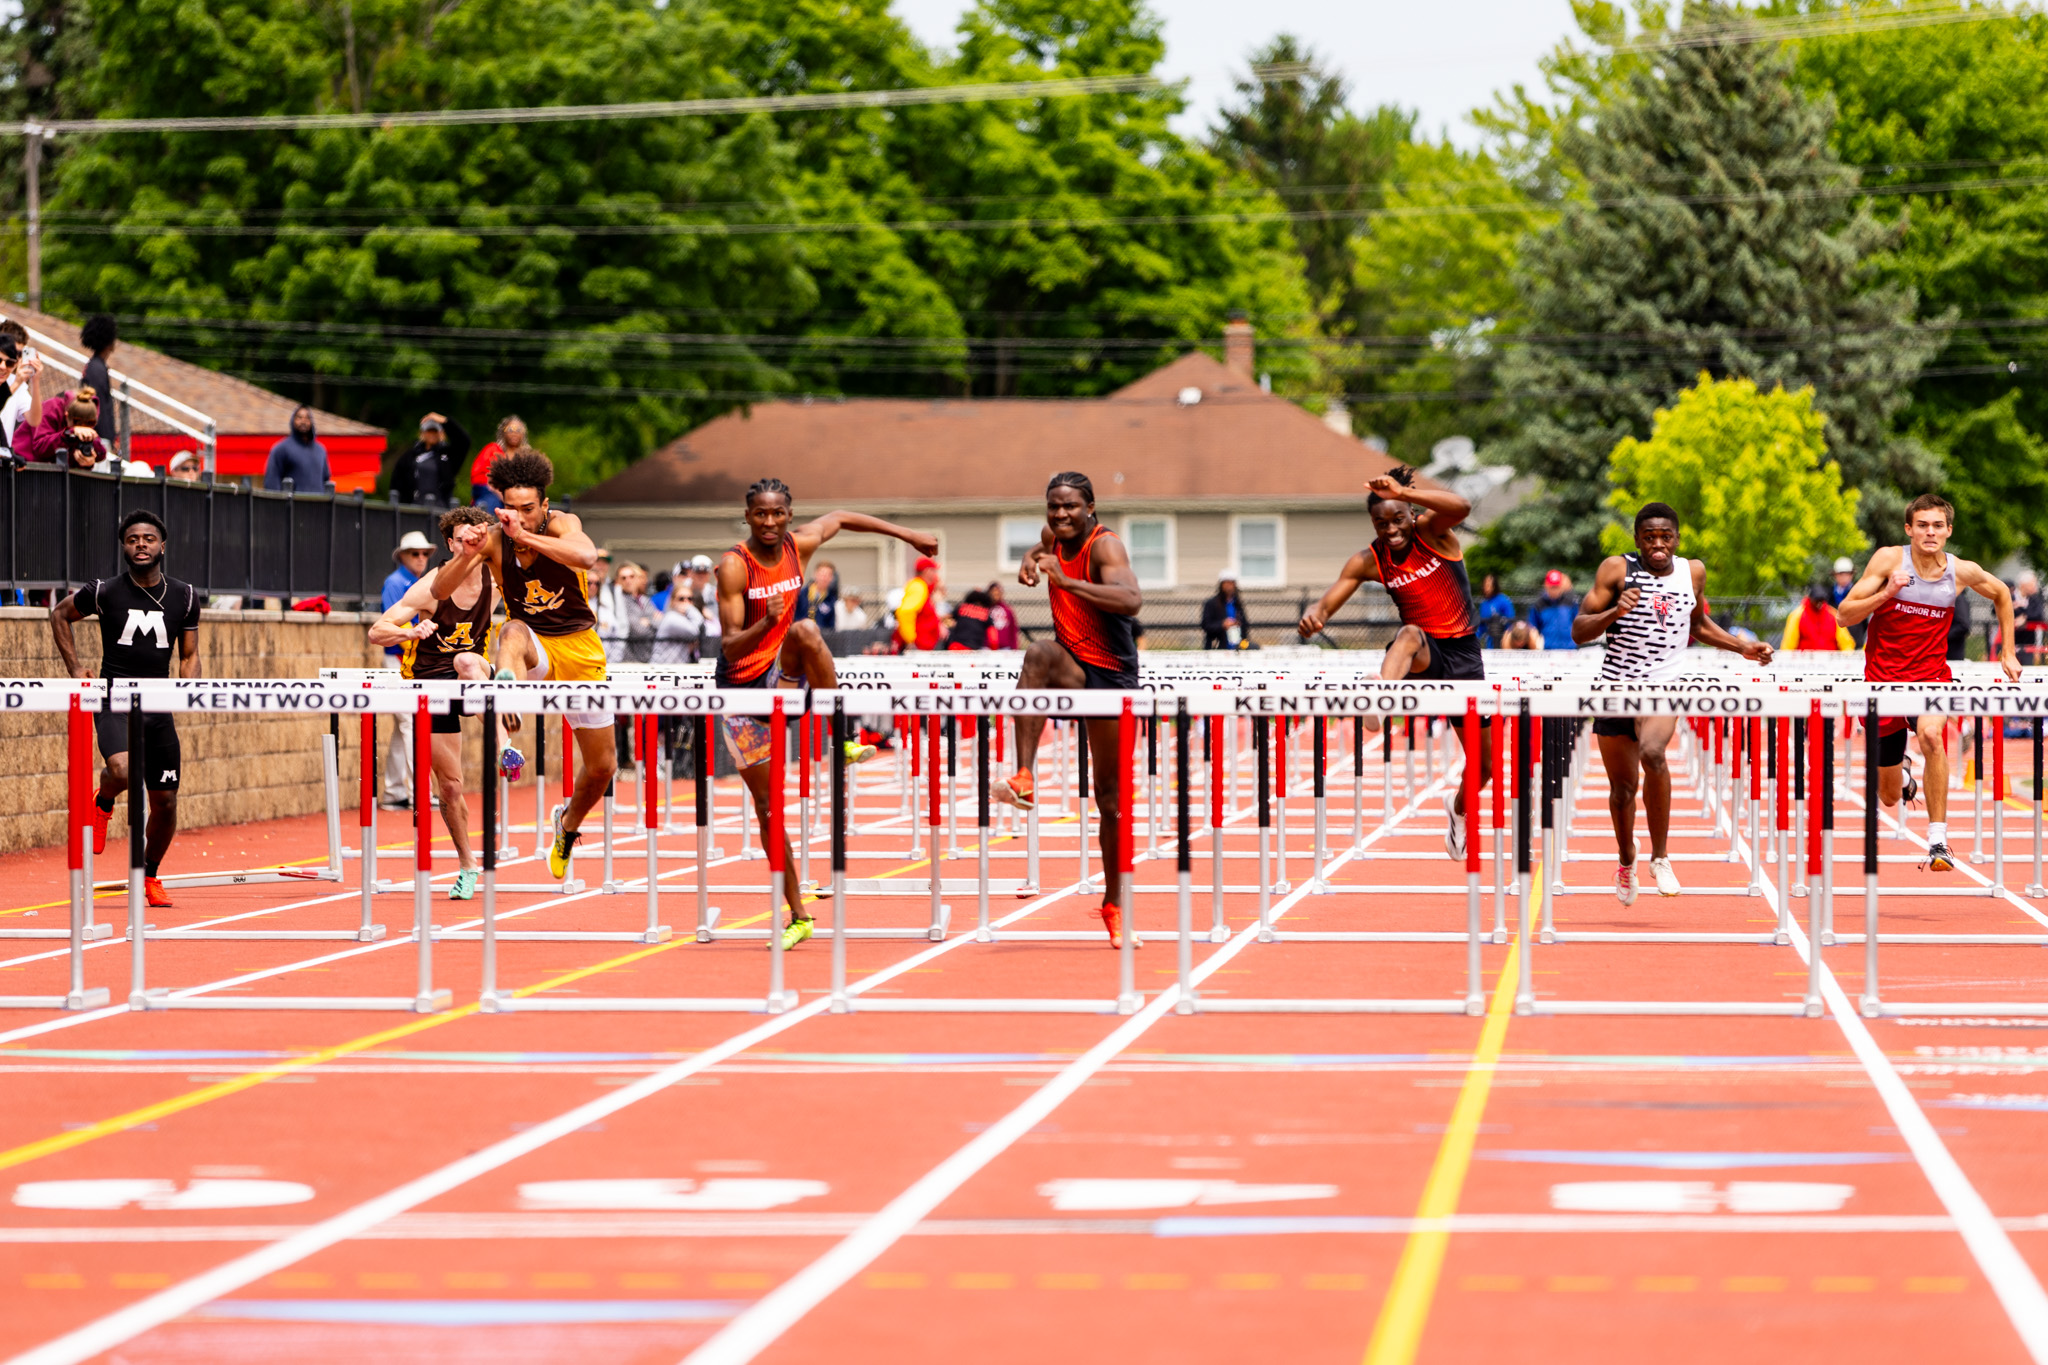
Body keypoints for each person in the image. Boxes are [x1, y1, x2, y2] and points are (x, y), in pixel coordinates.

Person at [715, 477, 938, 947]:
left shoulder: (802, 545)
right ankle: (798, 914)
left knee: (806, 631)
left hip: (783, 677)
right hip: (743, 694)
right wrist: (767, 621)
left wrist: (909, 536)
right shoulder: (734, 567)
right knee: (768, 809)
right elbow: (730, 647)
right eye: (760, 514)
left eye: (778, 514)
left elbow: (842, 517)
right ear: (748, 516)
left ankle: (841, 736)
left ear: (790, 515)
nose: (770, 522)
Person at [1575, 502, 1774, 903]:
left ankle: (1660, 856)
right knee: (1622, 790)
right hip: (1616, 686)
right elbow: (1580, 630)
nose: (1658, 544)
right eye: (1650, 537)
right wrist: (1616, 611)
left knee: (1654, 753)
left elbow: (1697, 624)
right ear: (1637, 540)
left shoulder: (1692, 571)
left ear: (1677, 539)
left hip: (1665, 684)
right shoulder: (1616, 569)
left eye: (1666, 536)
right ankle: (1626, 857)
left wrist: (1742, 647)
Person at [1297, 465, 1490, 861]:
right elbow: (1327, 602)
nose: (1390, 530)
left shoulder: (1433, 532)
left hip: (1465, 655)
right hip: (1423, 654)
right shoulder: (1369, 560)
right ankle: (1379, 700)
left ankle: (1458, 811)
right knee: (1408, 634)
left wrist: (1404, 492)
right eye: (1380, 522)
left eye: (1397, 519)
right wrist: (1314, 615)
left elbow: (1463, 505)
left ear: (1410, 514)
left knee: (1485, 765)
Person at [436, 448, 613, 879]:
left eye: (528, 509)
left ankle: (567, 824)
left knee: (603, 767)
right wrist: (466, 553)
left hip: (581, 649)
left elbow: (587, 557)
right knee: (511, 630)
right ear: (500, 508)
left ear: (544, 507)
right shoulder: (494, 540)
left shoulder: (562, 525)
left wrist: (526, 536)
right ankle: (506, 692)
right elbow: (441, 590)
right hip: (534, 646)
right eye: (510, 510)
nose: (519, 517)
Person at [993, 472, 1144, 947]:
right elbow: (1041, 551)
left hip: (1112, 676)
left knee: (1111, 801)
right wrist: (1029, 561)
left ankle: (1114, 903)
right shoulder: (1050, 538)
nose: (1060, 515)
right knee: (1037, 653)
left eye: (1070, 507)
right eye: (1053, 507)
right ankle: (1023, 775)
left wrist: (1068, 583)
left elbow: (1131, 600)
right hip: (1072, 663)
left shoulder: (1105, 547)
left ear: (1091, 507)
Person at [1838, 494, 2021, 870]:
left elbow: (2002, 593)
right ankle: (1903, 776)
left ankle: (1937, 840)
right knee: (1888, 796)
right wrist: (1888, 592)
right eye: (1922, 525)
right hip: (1882, 683)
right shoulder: (1889, 560)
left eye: (1937, 525)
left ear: (1948, 531)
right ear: (1909, 529)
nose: (1930, 532)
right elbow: (1844, 615)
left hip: (1931, 678)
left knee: (1933, 736)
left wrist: (2008, 652)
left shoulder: (1959, 572)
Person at [49, 511, 202, 908]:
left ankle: (149, 875)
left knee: (165, 803)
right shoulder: (104, 591)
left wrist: (189, 683)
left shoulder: (184, 595)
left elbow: (190, 654)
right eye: (133, 539)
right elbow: (60, 614)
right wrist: (74, 667)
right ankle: (105, 798)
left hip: (157, 705)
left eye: (149, 538)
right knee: (124, 768)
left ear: (162, 546)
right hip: (114, 699)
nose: (141, 544)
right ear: (124, 546)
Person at [367, 507, 498, 900]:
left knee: (469, 661)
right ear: (450, 544)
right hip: (431, 683)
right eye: (460, 540)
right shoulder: (429, 587)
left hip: (472, 671)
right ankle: (467, 864)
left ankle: (506, 747)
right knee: (451, 787)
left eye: (474, 539)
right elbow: (377, 631)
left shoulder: (497, 579)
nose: (468, 546)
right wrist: (410, 632)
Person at [379, 531, 435, 810]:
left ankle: (393, 792)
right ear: (402, 555)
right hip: (400, 661)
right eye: (415, 553)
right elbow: (392, 625)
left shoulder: (418, 582)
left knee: (404, 729)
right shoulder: (396, 582)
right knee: (412, 725)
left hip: (410, 662)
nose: (421, 558)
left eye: (425, 553)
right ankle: (419, 794)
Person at [390, 412, 469, 507]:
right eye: (429, 431)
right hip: (414, 506)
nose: (432, 434)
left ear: (441, 433)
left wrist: (445, 421)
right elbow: (396, 482)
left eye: (435, 431)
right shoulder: (410, 455)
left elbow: (464, 441)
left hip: (441, 507)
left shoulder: (448, 455)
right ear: (422, 433)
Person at [467, 415, 529, 512]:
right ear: (503, 432)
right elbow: (481, 477)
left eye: (518, 430)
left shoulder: (527, 457)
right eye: (510, 429)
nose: (514, 433)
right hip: (493, 496)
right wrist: (504, 496)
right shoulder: (493, 450)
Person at [264, 405, 330, 493]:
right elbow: (272, 482)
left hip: (317, 505)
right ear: (293, 421)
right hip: (293, 505)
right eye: (299, 418)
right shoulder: (281, 449)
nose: (303, 421)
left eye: (307, 418)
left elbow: (326, 480)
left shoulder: (320, 451)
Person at [1780, 581, 1854, 652]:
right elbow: (1789, 643)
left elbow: (1846, 642)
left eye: (1821, 600)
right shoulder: (1797, 615)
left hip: (1829, 661)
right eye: (1816, 600)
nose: (1819, 603)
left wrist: (1847, 657)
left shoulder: (1833, 614)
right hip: (1805, 661)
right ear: (1810, 598)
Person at [79, 314, 117, 448]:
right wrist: (108, 439)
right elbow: (100, 407)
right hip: (98, 440)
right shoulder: (97, 369)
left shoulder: (94, 366)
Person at [614, 560, 661, 663]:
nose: (628, 580)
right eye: (623, 578)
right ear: (617, 581)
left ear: (637, 578)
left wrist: (648, 622)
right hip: (629, 660)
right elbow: (639, 631)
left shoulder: (645, 600)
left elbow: (662, 624)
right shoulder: (618, 602)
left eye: (631, 576)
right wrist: (653, 620)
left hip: (650, 658)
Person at [895, 556, 944, 651]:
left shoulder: (924, 587)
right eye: (933, 571)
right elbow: (905, 612)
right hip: (918, 645)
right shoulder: (918, 587)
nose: (936, 575)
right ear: (926, 571)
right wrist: (910, 639)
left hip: (923, 645)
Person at [1202, 569, 1253, 649]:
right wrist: (1222, 624)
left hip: (1237, 646)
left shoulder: (1237, 603)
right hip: (1218, 646)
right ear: (1221, 585)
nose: (1229, 586)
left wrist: (1237, 624)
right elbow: (1206, 625)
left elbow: (1245, 625)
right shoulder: (1211, 603)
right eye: (1227, 583)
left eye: (1232, 583)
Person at [1528, 570, 1580, 650]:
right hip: (1547, 650)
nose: (1555, 590)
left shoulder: (1571, 603)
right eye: (1552, 587)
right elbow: (1533, 629)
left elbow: (1577, 624)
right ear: (1546, 586)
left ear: (1562, 586)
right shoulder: (1538, 605)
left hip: (1570, 650)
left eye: (1557, 587)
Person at [2013, 570, 2048, 666]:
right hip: (2011, 640)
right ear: (2023, 585)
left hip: (2028, 642)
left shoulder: (2034, 598)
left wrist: (2024, 617)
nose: (2035, 587)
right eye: (2032, 584)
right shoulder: (2011, 597)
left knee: (2027, 667)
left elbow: (2039, 615)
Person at [1476, 572, 1515, 647]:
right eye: (1485, 585)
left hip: (1504, 642)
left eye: (1489, 585)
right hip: (1490, 642)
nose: (1486, 588)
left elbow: (1511, 622)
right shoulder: (1484, 603)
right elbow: (1481, 626)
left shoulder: (1504, 601)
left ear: (1494, 586)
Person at [804, 561, 839, 630]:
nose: (824, 578)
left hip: (821, 636)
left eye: (828, 575)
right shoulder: (802, 594)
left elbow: (831, 626)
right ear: (815, 575)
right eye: (821, 574)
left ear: (831, 578)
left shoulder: (831, 600)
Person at [986, 582, 1018, 649]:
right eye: (993, 593)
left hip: (1004, 647)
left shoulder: (1007, 610)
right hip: (987, 647)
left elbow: (1013, 629)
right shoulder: (985, 609)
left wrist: (1014, 647)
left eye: (998, 593)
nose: (995, 595)